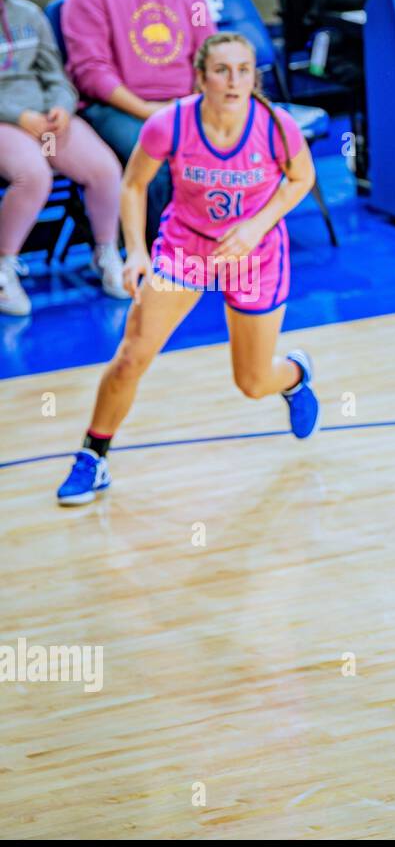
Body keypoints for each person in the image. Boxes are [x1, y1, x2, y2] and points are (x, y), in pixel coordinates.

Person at [55, 32, 320, 506]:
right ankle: (93, 455)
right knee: (133, 354)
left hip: (253, 256)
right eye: (221, 70)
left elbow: (302, 177)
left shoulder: (277, 127)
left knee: (253, 383)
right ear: (200, 77)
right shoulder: (168, 125)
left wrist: (255, 227)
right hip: (185, 250)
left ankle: (294, 376)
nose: (234, 81)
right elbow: (133, 185)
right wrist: (135, 251)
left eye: (243, 70)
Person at [0, 0, 125, 315]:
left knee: (103, 170)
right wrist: (19, 116)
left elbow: (56, 76)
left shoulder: (28, 14)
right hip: (5, 122)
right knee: (33, 175)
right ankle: (4, 267)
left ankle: (106, 253)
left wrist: (61, 107)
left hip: (45, 121)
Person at [63, 0, 214, 246]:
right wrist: (148, 110)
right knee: (156, 157)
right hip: (116, 107)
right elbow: (91, 71)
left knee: (235, 145)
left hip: (185, 104)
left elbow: (210, 53)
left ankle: (217, 243)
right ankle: (164, 257)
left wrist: (191, 104)